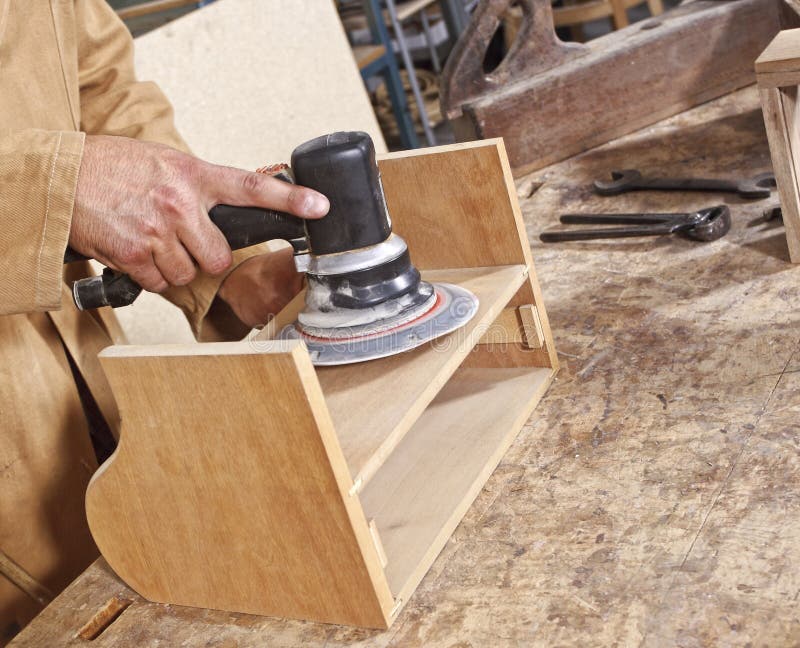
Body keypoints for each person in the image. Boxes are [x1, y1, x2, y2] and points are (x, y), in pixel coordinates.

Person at [0, 2, 329, 639]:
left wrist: (224, 265)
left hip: (80, 384)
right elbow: (73, 172)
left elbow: (101, 87)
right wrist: (51, 191)